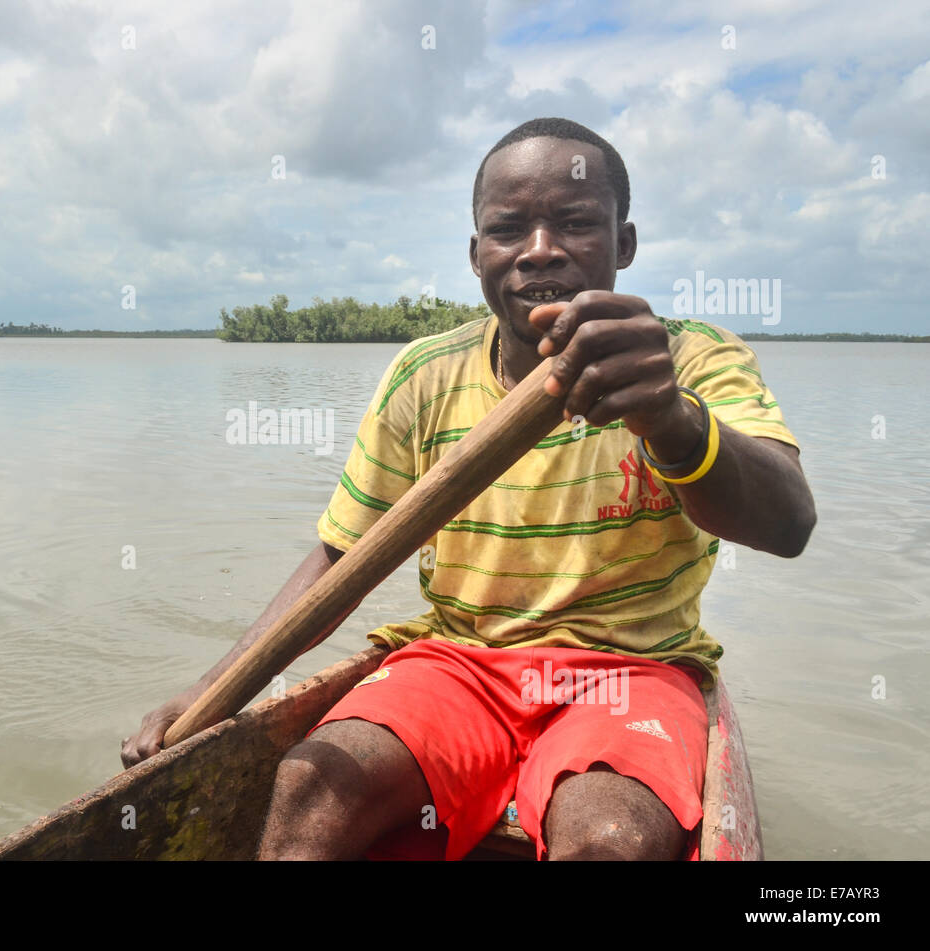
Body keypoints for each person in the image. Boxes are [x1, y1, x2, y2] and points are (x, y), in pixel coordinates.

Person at [122, 117, 816, 860]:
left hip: (630, 670)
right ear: (476, 254)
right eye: (508, 229)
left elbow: (790, 522)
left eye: (575, 222)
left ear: (624, 244)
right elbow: (339, 559)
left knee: (610, 837)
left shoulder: (690, 361)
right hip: (462, 662)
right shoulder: (425, 373)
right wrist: (211, 689)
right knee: (309, 786)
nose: (539, 249)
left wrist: (673, 419)